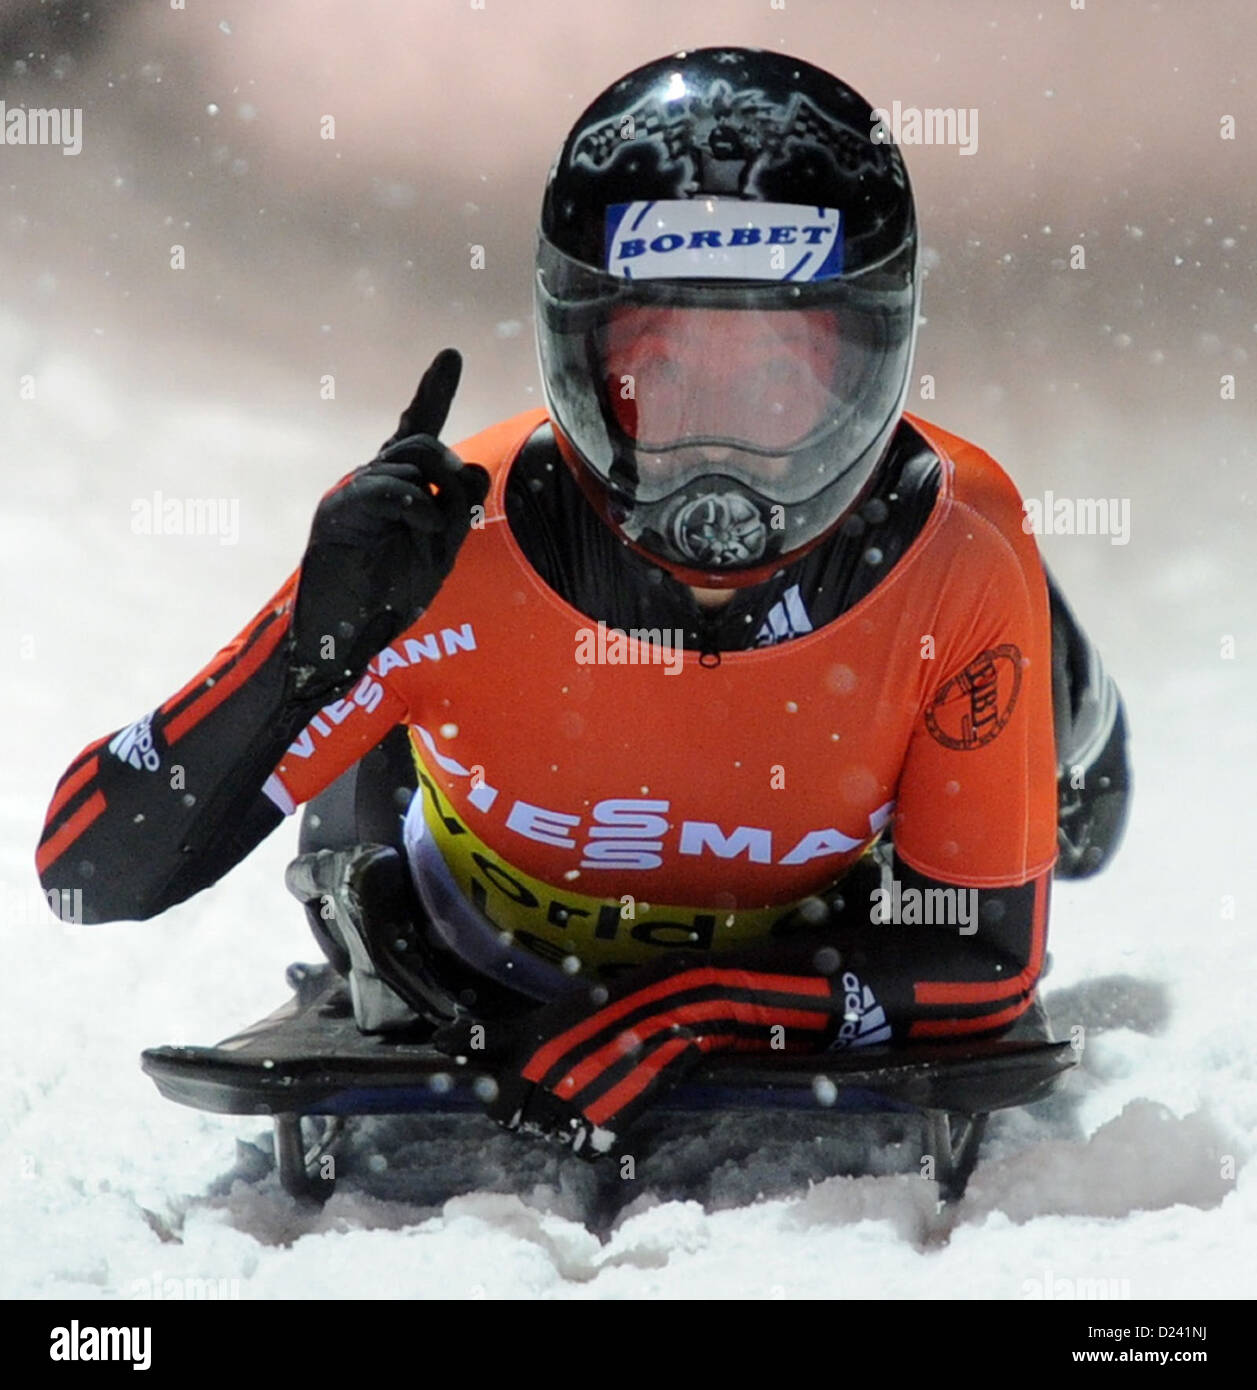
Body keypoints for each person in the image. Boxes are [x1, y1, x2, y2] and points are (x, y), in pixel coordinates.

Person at [37, 48, 1129, 1159]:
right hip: (461, 887)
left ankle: (1072, 679)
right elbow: (82, 875)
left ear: (869, 368)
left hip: (917, 702)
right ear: (580, 359)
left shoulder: (952, 560)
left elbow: (990, 959)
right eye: (662, 379)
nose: (721, 482)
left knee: (1086, 788)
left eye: (774, 384)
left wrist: (693, 1010)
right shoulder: (450, 543)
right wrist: (301, 658)